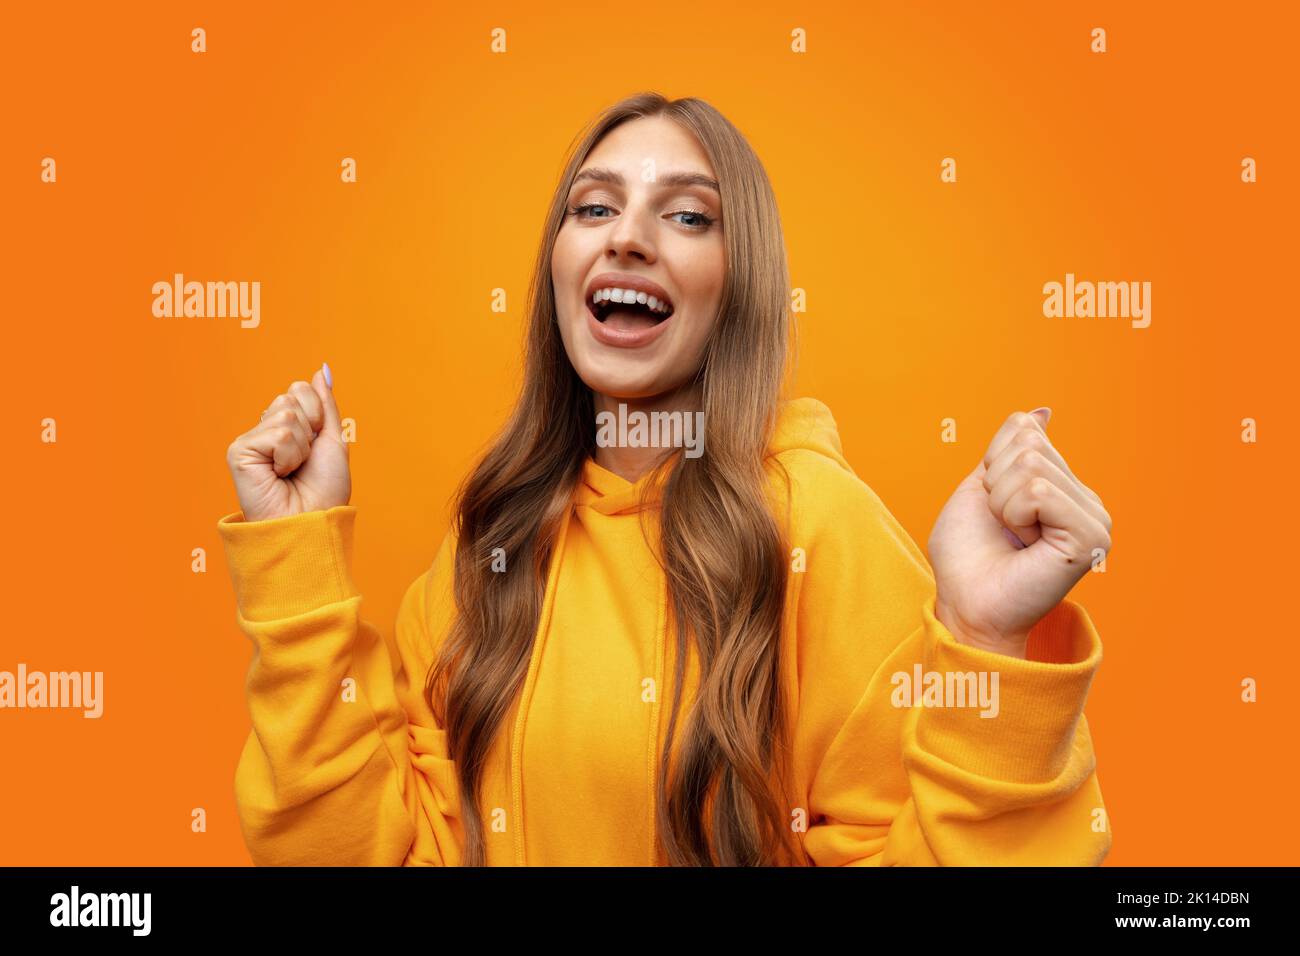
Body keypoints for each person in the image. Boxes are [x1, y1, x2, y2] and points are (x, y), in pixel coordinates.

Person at [219, 91, 1114, 867]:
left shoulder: (820, 529)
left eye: (688, 217)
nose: (629, 240)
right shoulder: (488, 548)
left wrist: (990, 641)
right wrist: (299, 560)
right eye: (593, 209)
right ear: (559, 269)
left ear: (739, 287)